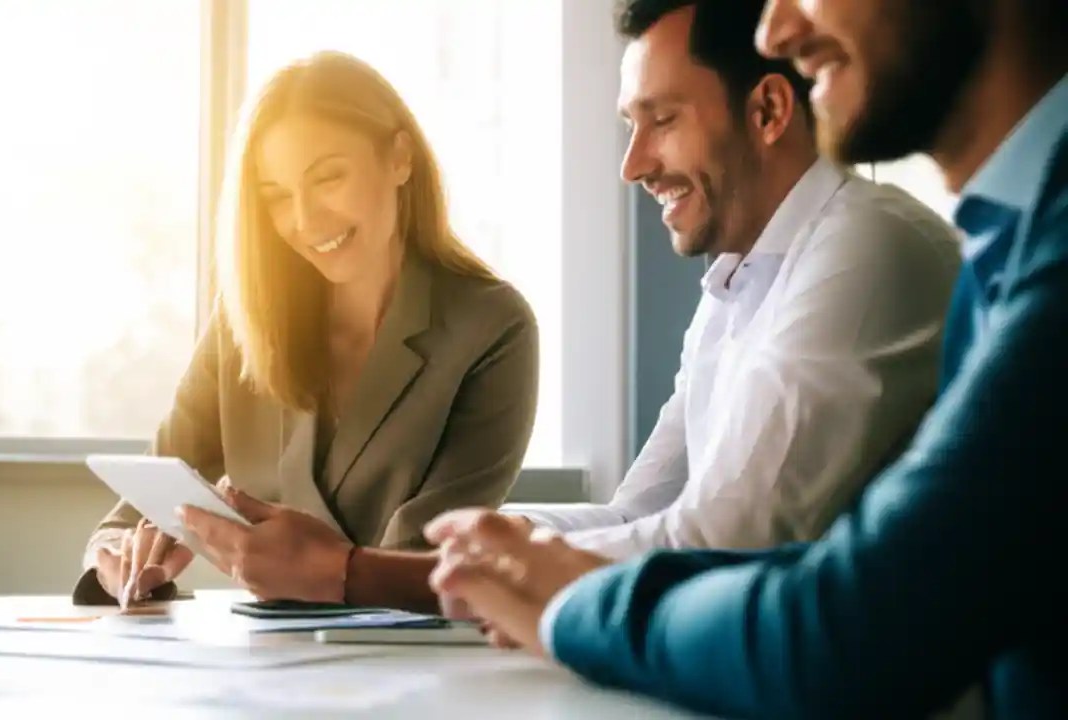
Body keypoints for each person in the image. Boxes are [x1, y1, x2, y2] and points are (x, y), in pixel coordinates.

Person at [172, 0, 959, 612]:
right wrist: (473, 538)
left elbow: (722, 541)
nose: (632, 164)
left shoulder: (865, 244)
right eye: (631, 124)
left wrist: (356, 572)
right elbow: (637, 512)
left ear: (768, 112)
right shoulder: (738, 283)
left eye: (662, 120)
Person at [427, 0, 1068, 717]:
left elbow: (842, 617)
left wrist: (568, 602)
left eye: (661, 119)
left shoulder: (910, 244)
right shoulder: (1009, 234)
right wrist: (487, 555)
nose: (777, 33)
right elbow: (665, 517)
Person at [71, 51, 539, 607]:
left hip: (407, 660)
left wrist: (308, 567)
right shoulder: (245, 318)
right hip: (262, 659)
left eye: (329, 178)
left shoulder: (492, 329)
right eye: (275, 196)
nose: (305, 220)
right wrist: (121, 556)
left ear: (399, 159)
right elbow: (139, 503)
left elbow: (427, 565)